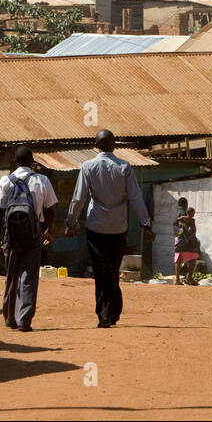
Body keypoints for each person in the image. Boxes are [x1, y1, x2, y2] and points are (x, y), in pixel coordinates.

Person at [65, 129, 154, 327]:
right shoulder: (124, 167)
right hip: (118, 227)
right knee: (112, 268)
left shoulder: (88, 166)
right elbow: (135, 197)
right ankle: (112, 311)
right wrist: (145, 224)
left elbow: (78, 198)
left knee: (101, 269)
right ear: (114, 145)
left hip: (96, 226)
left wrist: (71, 223)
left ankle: (105, 314)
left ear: (96, 146)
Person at [0, 146, 57, 332]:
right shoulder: (41, 180)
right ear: (32, 161)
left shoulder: (6, 180)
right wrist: (50, 231)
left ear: (15, 162)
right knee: (28, 276)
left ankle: (9, 318)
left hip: (10, 237)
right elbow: (51, 209)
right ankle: (24, 320)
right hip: (33, 235)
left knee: (11, 276)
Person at [173, 199, 201, 285]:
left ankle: (178, 280)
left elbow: (176, 223)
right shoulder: (184, 214)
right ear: (185, 204)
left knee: (179, 259)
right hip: (187, 240)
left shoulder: (178, 214)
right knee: (193, 257)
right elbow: (191, 228)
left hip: (179, 239)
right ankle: (189, 278)